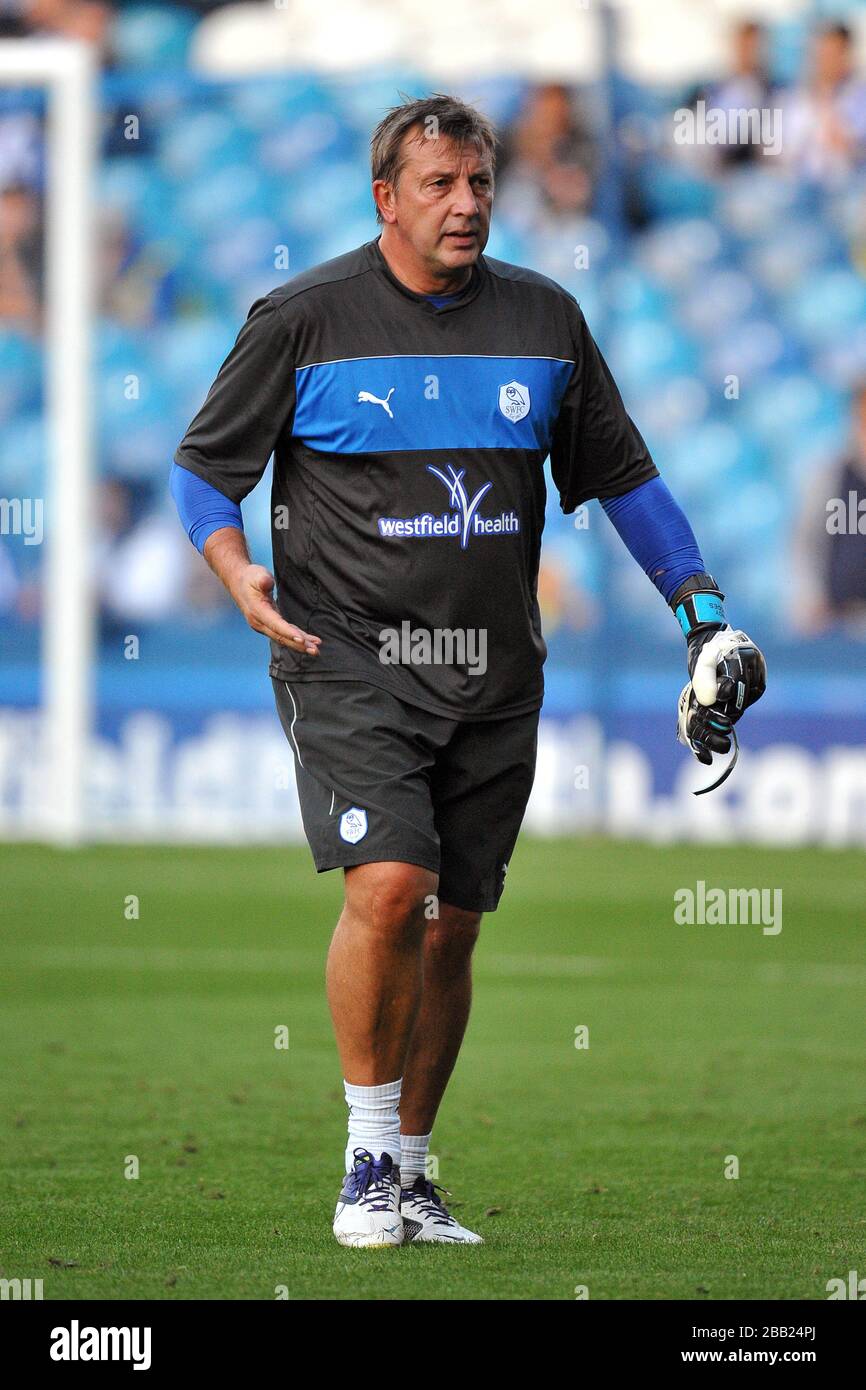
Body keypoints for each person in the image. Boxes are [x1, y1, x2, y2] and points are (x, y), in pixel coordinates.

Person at [170, 94, 766, 1248]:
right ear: (384, 198)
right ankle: (360, 1159)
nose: (465, 205)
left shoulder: (544, 320)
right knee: (389, 887)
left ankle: (410, 1166)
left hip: (496, 671)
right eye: (438, 185)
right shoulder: (300, 317)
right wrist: (235, 569)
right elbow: (205, 469)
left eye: (479, 183)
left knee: (450, 926)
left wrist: (699, 610)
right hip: (346, 659)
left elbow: (625, 481)